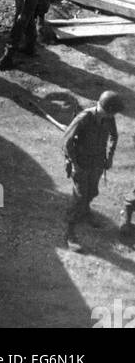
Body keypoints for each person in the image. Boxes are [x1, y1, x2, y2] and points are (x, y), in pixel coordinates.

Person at [62, 91, 121, 250]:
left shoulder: (109, 118)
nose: (110, 116)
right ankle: (70, 232)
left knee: (92, 191)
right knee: (79, 195)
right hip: (81, 162)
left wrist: (110, 156)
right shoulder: (84, 118)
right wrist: (74, 164)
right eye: (109, 112)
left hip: (97, 162)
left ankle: (86, 212)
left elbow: (114, 136)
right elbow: (66, 143)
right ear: (103, 107)